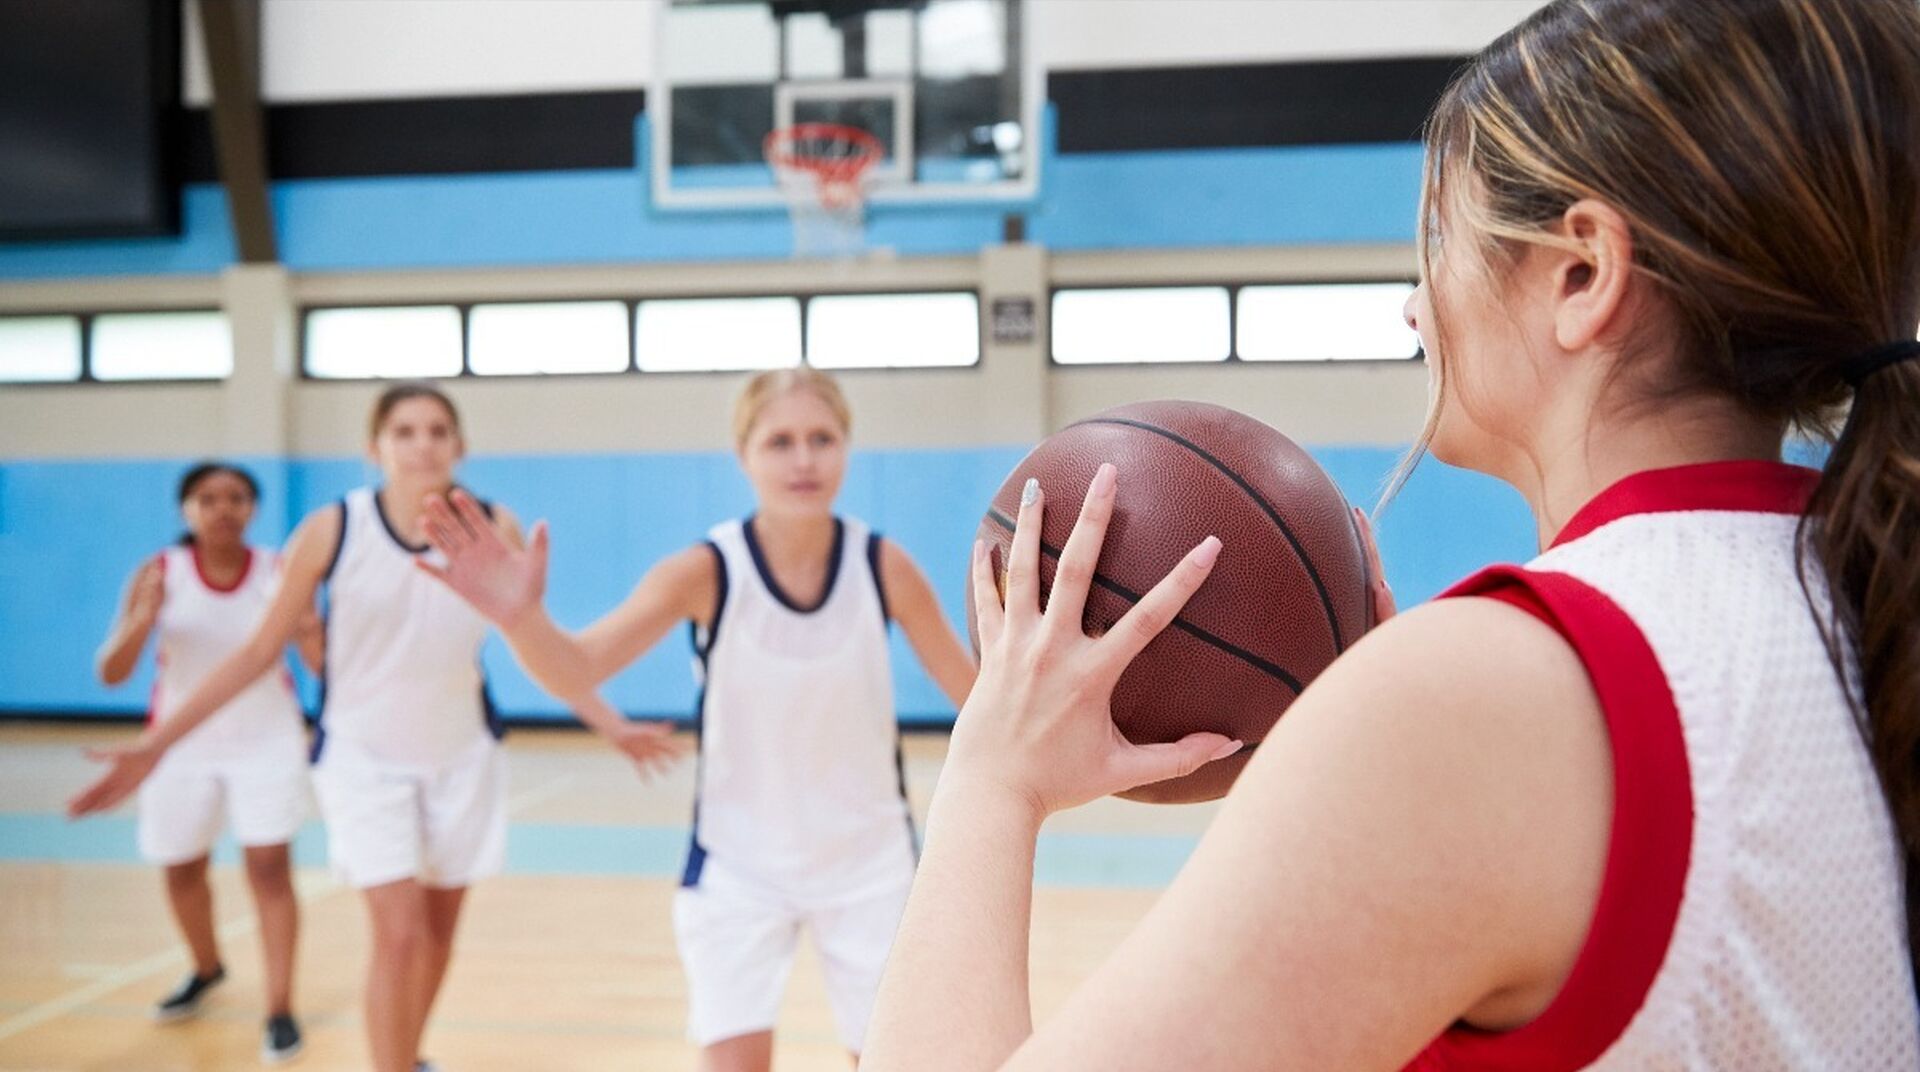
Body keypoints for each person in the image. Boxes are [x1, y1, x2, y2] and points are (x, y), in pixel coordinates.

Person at [860, 1, 1920, 1068]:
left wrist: (991, 775)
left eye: (1443, 242)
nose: (1416, 310)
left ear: (1583, 274)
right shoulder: (1866, 603)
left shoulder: (1485, 700)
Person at [71, 383, 681, 1072]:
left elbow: (538, 644)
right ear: (375, 448)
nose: (422, 443)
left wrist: (610, 721)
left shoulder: (495, 527)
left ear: (460, 446)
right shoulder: (334, 529)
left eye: (437, 430)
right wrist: (157, 744)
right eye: (404, 430)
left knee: (439, 932)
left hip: (461, 752)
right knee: (397, 934)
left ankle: (406, 1054)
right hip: (362, 756)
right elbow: (256, 652)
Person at [415, 367, 977, 1071]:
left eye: (821, 439)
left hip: (870, 866)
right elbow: (580, 667)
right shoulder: (707, 570)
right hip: (738, 865)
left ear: (846, 448)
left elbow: (975, 699)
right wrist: (521, 621)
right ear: (744, 454)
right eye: (780, 442)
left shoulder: (882, 565)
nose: (803, 459)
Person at [93, 461, 321, 1065]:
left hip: (266, 739)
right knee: (180, 869)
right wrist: (140, 623)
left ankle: (279, 1007)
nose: (223, 508)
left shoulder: (281, 572)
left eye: (237, 498)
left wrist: (310, 633)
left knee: (270, 868)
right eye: (207, 498)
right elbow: (112, 674)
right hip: (179, 744)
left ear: (253, 509)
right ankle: (206, 967)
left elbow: (325, 666)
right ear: (185, 510)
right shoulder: (158, 574)